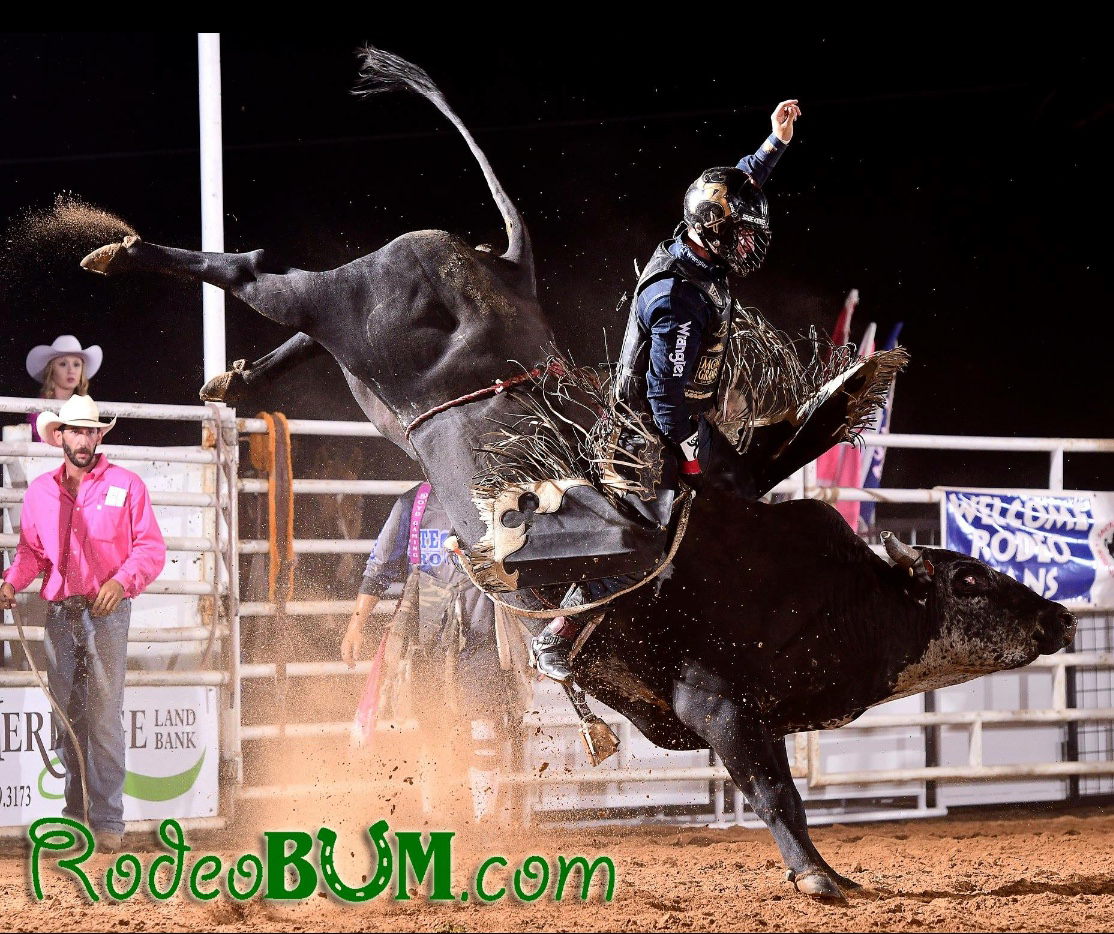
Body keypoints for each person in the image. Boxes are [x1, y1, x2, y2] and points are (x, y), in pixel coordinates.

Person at [530, 99, 802, 684]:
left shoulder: (703, 238)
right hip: (646, 430)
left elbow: (737, 186)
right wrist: (690, 460)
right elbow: (664, 396)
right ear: (713, 232)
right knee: (646, 537)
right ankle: (559, 634)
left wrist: (773, 144)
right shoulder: (678, 298)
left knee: (742, 488)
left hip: (682, 414)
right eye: (742, 235)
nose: (750, 244)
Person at [0, 394, 166, 853]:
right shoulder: (40, 492)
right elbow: (32, 553)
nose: (84, 439)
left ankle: (108, 821)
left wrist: (123, 580)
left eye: (91, 431)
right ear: (61, 437)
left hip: (104, 612)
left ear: (98, 436)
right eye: (76, 430)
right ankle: (76, 817)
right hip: (59, 614)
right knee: (66, 717)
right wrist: (12, 581)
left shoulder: (126, 485)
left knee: (104, 716)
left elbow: (150, 549)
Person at [24, 335, 103, 442]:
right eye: (63, 364)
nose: (71, 370)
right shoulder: (38, 409)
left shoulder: (88, 408)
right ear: (51, 371)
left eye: (76, 364)